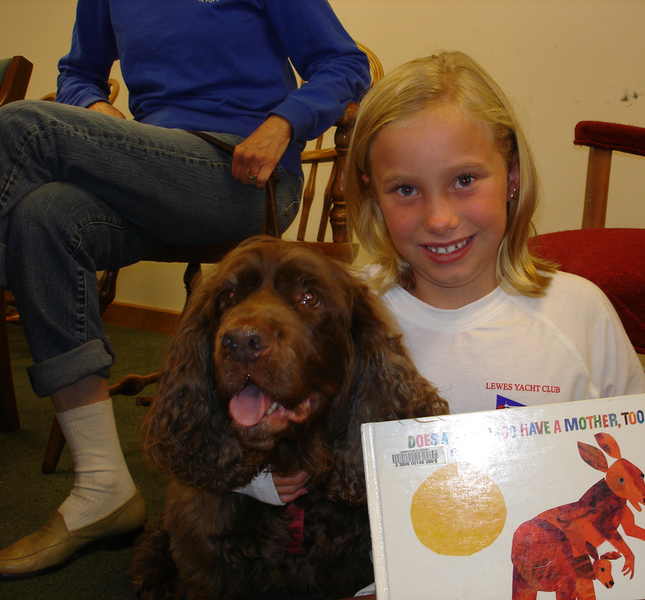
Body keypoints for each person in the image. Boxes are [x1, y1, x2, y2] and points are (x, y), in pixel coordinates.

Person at [342, 50, 645, 600]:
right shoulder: (341, 318)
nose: (439, 218)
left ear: (511, 175)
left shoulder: (579, 312)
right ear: (371, 191)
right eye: (405, 189)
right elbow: (269, 477)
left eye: (464, 180)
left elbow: (638, 462)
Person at [0, 0, 370, 580]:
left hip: (243, 172)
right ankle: (102, 486)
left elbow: (344, 64)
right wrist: (96, 108)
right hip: (146, 167)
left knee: (21, 126)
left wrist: (283, 123)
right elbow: (78, 71)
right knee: (41, 217)